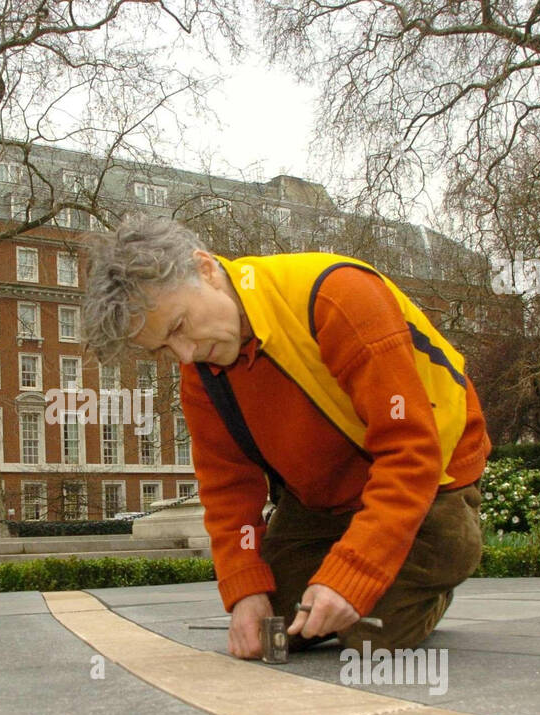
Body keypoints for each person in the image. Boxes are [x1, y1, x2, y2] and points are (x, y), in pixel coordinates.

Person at [82, 215, 492, 659]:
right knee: (272, 631)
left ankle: (433, 577)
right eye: (163, 348)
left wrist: (350, 574)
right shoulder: (202, 374)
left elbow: (409, 449)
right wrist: (244, 589)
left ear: (205, 269)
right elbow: (227, 487)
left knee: (371, 632)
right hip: (322, 502)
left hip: (434, 483)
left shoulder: (337, 295)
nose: (184, 354)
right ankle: (367, 567)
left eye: (179, 327)